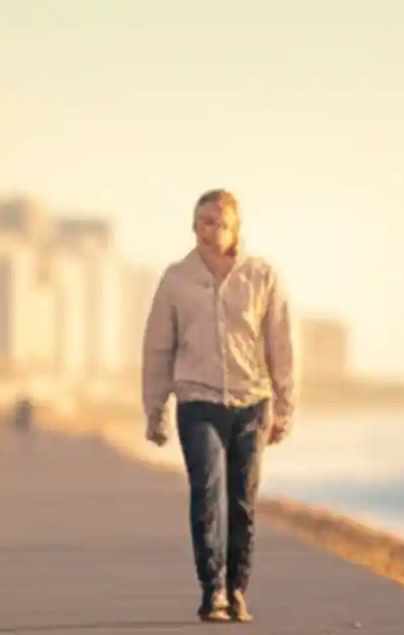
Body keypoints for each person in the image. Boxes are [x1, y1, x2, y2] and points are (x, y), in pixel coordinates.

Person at [141, 188, 297, 623]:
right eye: (201, 222)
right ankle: (213, 592)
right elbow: (158, 347)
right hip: (198, 402)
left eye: (217, 223)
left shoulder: (262, 276)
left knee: (242, 502)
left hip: (252, 404)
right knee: (207, 493)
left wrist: (285, 407)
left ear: (235, 229)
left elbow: (281, 345)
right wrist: (155, 409)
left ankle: (238, 589)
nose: (207, 231)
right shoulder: (176, 279)